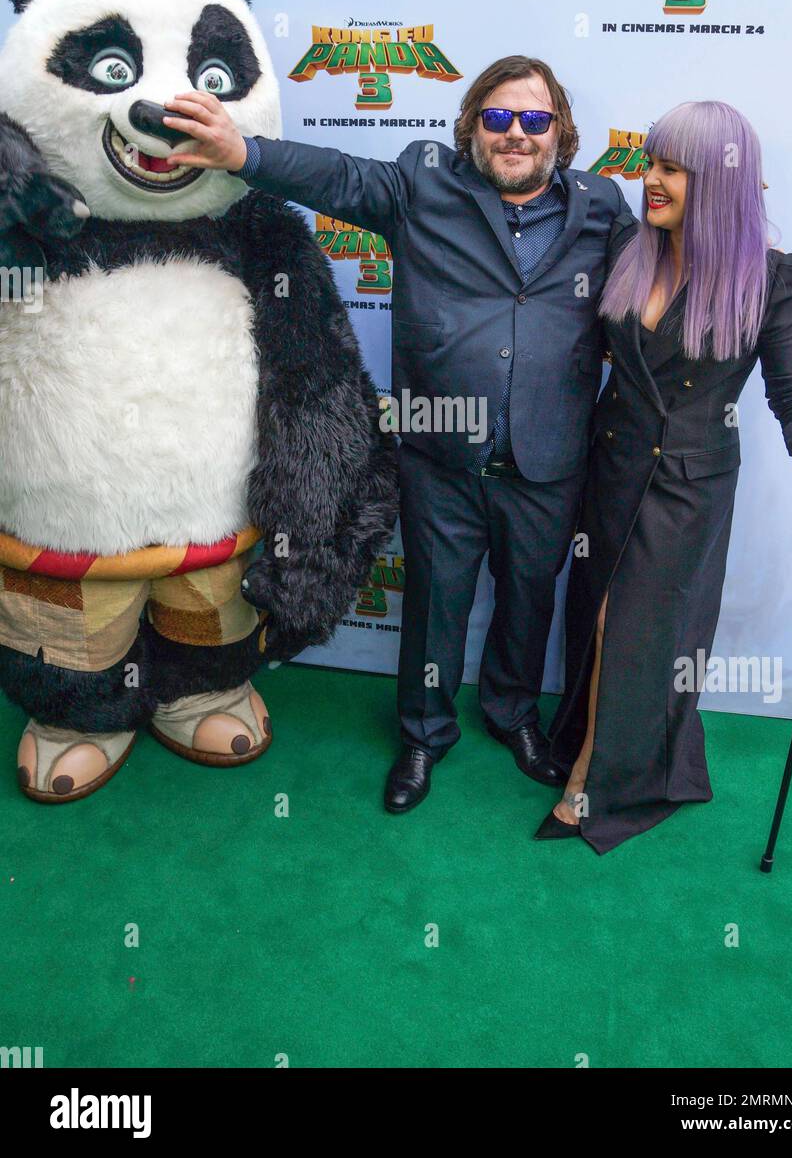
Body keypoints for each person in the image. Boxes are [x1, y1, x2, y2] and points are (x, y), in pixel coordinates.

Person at [160, 56, 637, 812]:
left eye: (535, 120)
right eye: (499, 117)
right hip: (442, 457)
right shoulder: (423, 187)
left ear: (561, 133)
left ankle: (515, 716)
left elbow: (656, 290)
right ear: (472, 125)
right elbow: (335, 175)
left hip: (549, 460)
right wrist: (241, 153)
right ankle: (423, 732)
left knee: (527, 601)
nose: (517, 134)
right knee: (436, 604)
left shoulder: (603, 206)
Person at [535, 100, 792, 853]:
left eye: (671, 169)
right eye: (650, 162)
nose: (649, 180)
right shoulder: (629, 248)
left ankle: (592, 779)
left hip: (688, 486)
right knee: (595, 616)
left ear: (719, 184)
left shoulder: (770, 283)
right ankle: (618, 748)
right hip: (611, 466)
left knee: (638, 626)